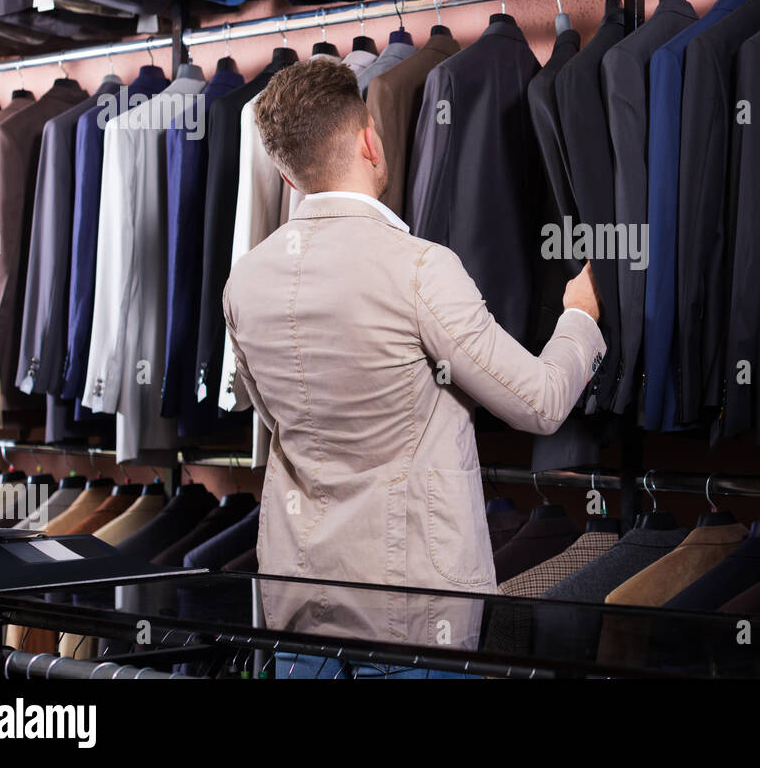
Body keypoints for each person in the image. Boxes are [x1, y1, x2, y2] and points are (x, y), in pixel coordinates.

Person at [221, 58, 604, 676]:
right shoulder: (419, 268)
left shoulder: (246, 280)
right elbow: (539, 401)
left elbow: (278, 420)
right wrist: (579, 317)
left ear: (287, 177)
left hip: (295, 599)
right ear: (371, 139)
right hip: (414, 608)